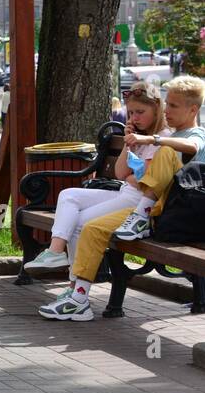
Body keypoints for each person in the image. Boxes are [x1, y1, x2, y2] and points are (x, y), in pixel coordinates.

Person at [39, 75, 205, 321]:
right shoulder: (168, 135)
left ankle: (141, 216)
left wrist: (152, 139)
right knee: (91, 228)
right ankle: (79, 299)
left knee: (168, 150)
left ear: (194, 109)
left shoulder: (195, 134)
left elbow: (190, 146)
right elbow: (122, 174)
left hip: (172, 217)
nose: (167, 110)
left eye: (173, 105)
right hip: (148, 212)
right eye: (167, 103)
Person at [24, 82, 169, 276]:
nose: (135, 118)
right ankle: (55, 252)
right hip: (125, 193)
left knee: (78, 224)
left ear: (157, 108)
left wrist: (133, 175)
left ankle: (76, 290)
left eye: (140, 112)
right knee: (69, 195)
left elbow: (142, 180)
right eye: (131, 113)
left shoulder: (161, 138)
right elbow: (121, 174)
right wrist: (128, 142)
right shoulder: (139, 136)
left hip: (138, 202)